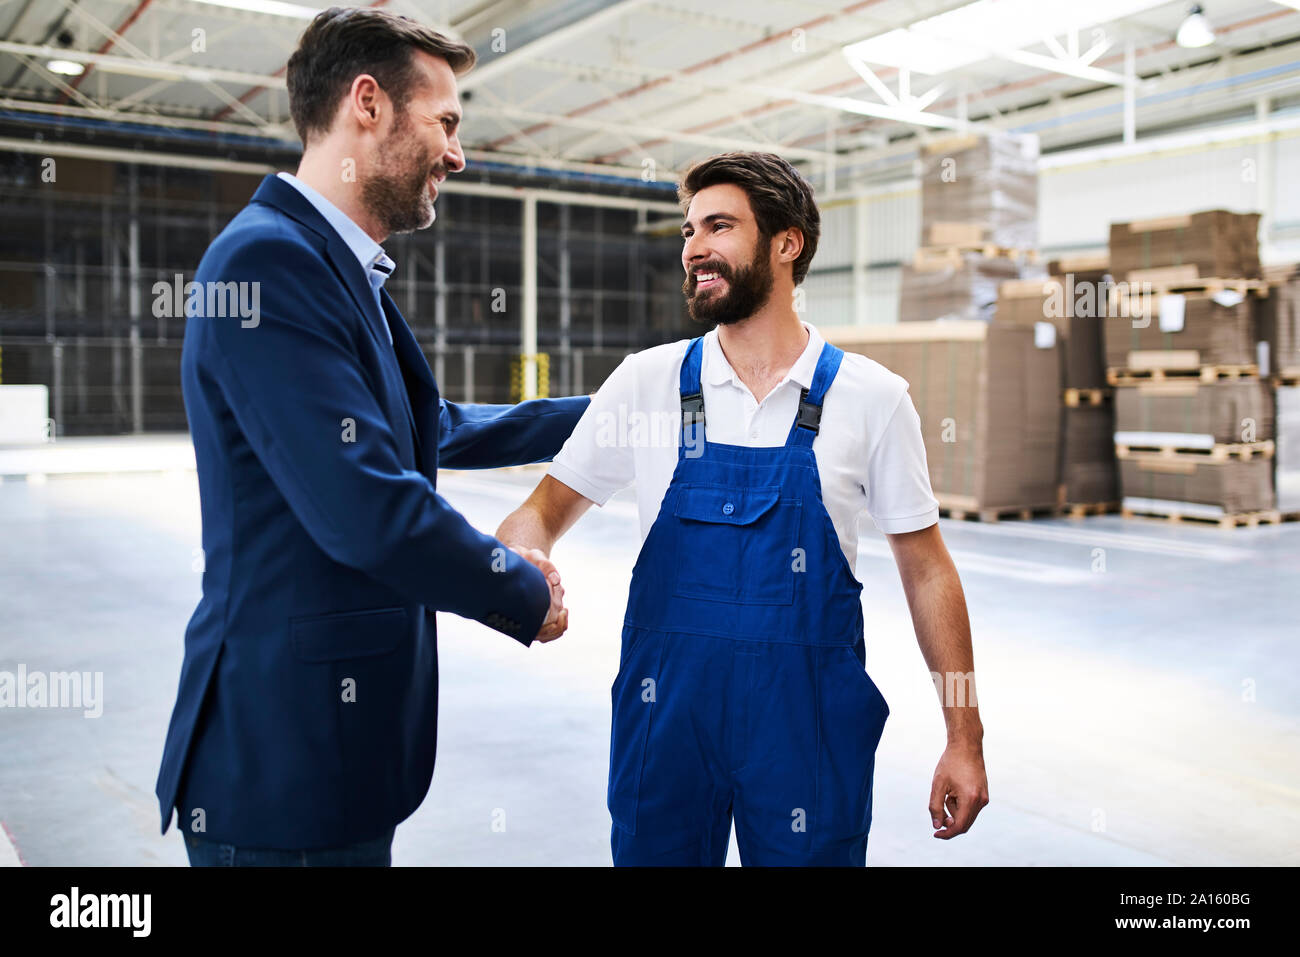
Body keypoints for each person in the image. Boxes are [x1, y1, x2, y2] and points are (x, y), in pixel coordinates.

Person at [155, 7, 587, 866]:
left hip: (334, 759)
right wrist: (519, 589)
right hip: (281, 770)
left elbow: (432, 426)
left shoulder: (334, 270)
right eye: (446, 122)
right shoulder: (265, 266)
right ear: (368, 103)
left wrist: (624, 408)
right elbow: (365, 505)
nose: (457, 154)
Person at [496, 151, 988, 866]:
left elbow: (929, 572)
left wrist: (964, 734)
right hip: (665, 725)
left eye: (719, 225)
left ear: (787, 243)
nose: (694, 247)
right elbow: (538, 512)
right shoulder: (646, 383)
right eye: (689, 229)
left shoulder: (872, 398)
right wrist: (523, 570)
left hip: (807, 734)